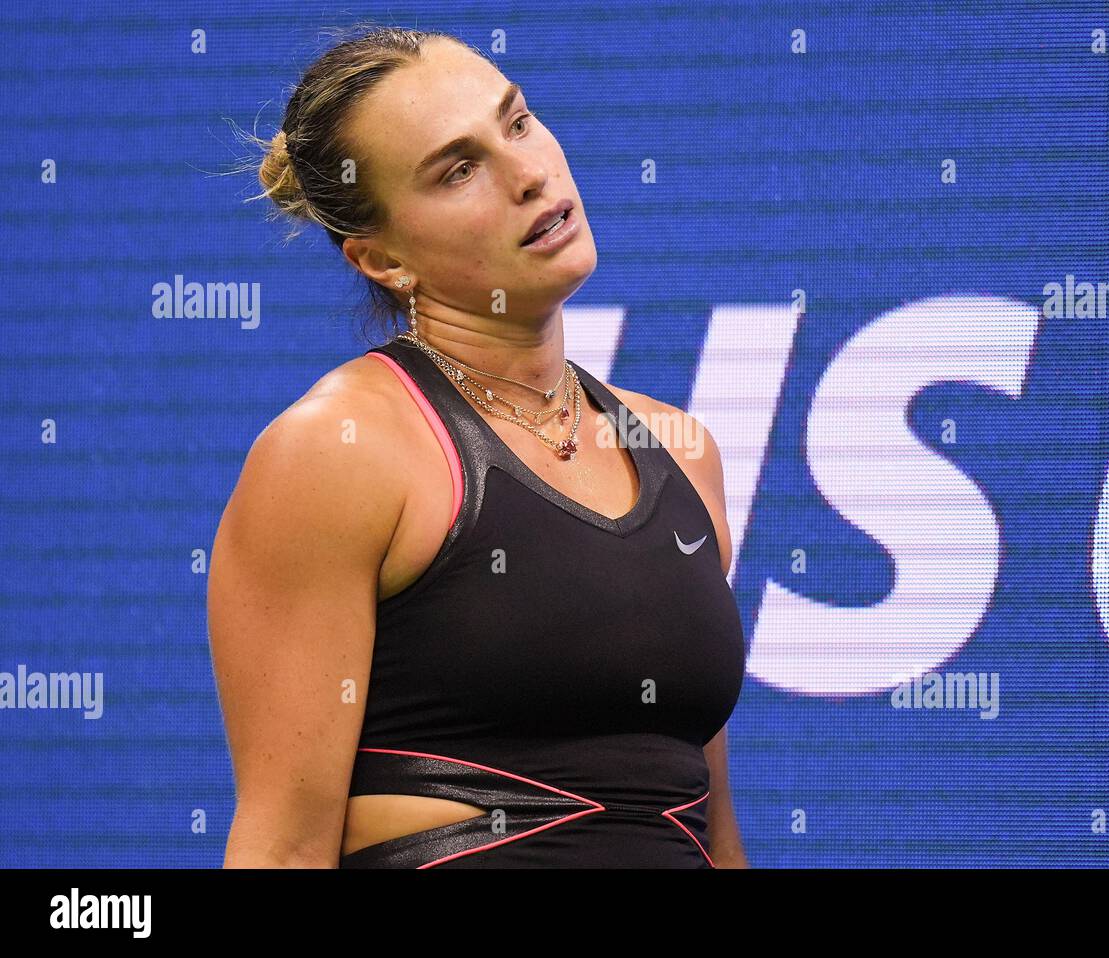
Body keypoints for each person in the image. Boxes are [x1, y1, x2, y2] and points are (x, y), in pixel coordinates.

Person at [208, 26, 748, 868]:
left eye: (519, 122)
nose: (530, 173)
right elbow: (281, 851)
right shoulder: (338, 453)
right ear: (382, 259)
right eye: (459, 169)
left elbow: (710, 833)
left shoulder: (684, 453)